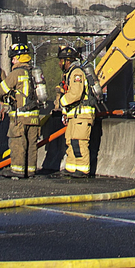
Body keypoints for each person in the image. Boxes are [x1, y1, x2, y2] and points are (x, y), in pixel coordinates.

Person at [0, 42, 43, 179]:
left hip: (20, 118)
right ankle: (30, 171)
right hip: (34, 117)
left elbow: (0, 91)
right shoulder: (35, 73)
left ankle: (17, 170)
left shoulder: (16, 73)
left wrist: (5, 98)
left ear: (18, 58)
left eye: (13, 58)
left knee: (18, 143)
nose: (12, 61)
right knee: (32, 145)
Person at [56, 45, 95, 179]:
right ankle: (71, 167)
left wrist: (62, 101)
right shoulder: (69, 73)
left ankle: (83, 169)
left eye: (61, 60)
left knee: (79, 142)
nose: (60, 63)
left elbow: (76, 94)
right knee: (70, 141)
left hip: (82, 116)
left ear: (68, 61)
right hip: (74, 115)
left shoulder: (76, 73)